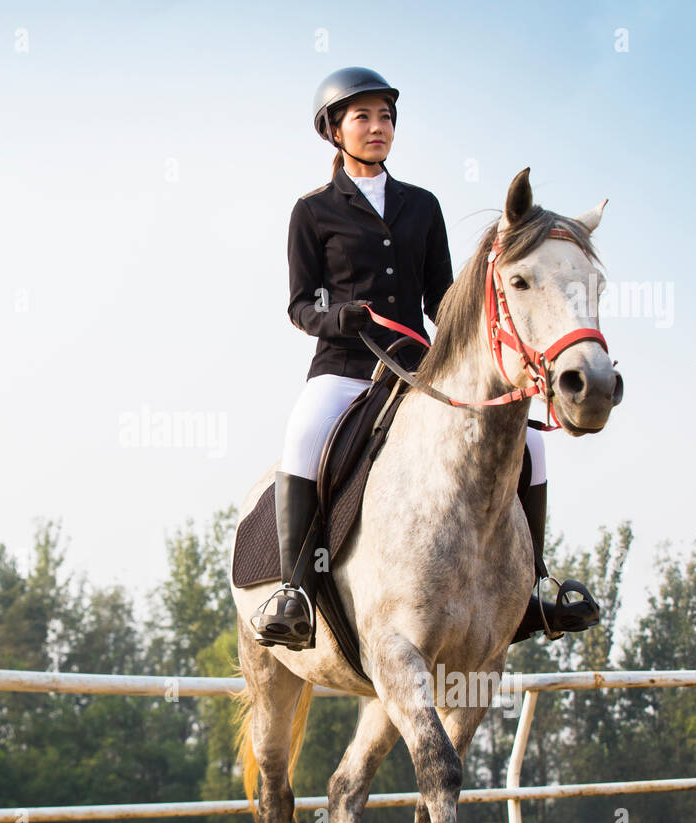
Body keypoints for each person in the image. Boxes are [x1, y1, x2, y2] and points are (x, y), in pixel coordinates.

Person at [250, 67, 600, 650]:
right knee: (303, 436)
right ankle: (295, 592)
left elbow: (443, 299)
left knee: (531, 443)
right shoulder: (312, 210)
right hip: (345, 366)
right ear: (335, 130)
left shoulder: (422, 205)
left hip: (418, 369)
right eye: (362, 116)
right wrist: (339, 316)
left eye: (386, 116)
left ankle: (536, 585)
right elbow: (299, 304)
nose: (377, 127)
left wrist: (483, 345)